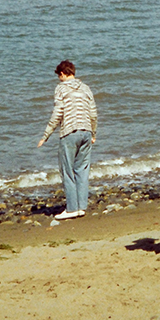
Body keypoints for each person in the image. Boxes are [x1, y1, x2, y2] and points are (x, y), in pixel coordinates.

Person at [38, 60, 98, 220]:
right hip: (86, 131)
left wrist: (46, 135)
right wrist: (94, 133)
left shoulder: (61, 88)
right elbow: (93, 113)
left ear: (63, 74)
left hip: (69, 132)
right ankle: (81, 207)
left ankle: (72, 208)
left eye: (59, 76)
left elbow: (58, 113)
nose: (59, 79)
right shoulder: (86, 88)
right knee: (82, 170)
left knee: (67, 171)